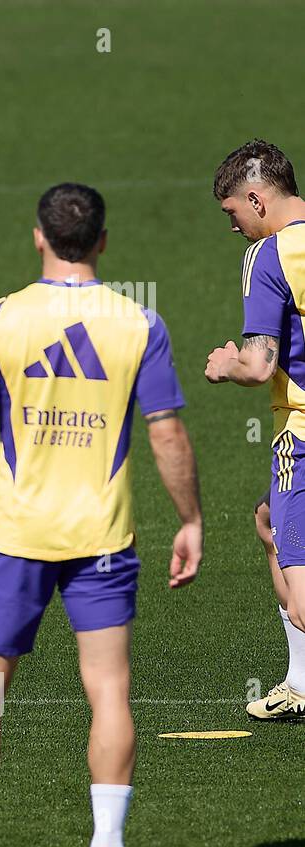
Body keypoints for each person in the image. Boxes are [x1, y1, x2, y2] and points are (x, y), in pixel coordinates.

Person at [0, 183, 201, 847]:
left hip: (16, 539)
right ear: (102, 242)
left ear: (38, 237)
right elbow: (166, 435)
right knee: (108, 690)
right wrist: (190, 518)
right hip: (104, 539)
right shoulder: (139, 323)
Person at [206, 140, 305, 720]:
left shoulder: (269, 255)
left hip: (300, 432)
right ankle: (299, 682)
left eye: (233, 214)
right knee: (269, 522)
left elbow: (261, 363)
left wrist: (226, 365)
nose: (234, 227)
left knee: (301, 601)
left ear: (255, 198)